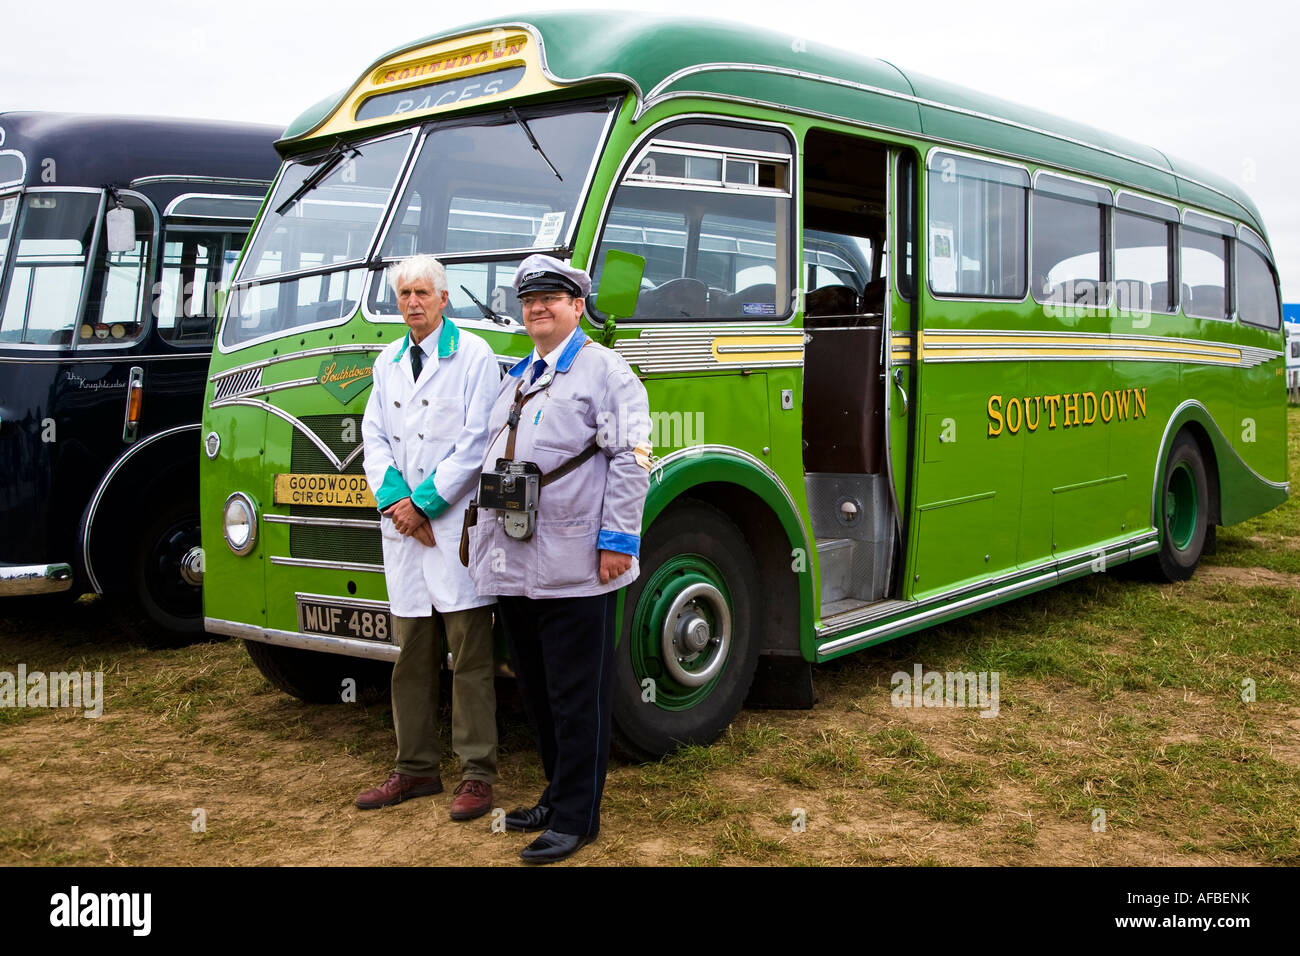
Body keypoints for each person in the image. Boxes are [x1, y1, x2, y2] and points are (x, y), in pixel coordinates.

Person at [466, 253, 651, 864]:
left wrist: (618, 542)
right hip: (516, 563)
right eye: (529, 300)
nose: (537, 307)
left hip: (575, 563)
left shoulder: (605, 371)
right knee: (538, 691)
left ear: (577, 306)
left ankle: (578, 816)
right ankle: (555, 793)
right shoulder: (520, 375)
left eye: (551, 298)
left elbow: (630, 459)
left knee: (578, 696)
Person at [356, 254, 500, 821]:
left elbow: (477, 440)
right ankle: (414, 768)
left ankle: (477, 774)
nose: (413, 302)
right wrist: (396, 502)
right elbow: (375, 437)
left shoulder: (474, 357)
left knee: (469, 655)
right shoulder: (386, 360)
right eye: (404, 293)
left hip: (452, 526)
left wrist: (424, 504)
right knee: (411, 655)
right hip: (405, 532)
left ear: (444, 299)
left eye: (423, 292)